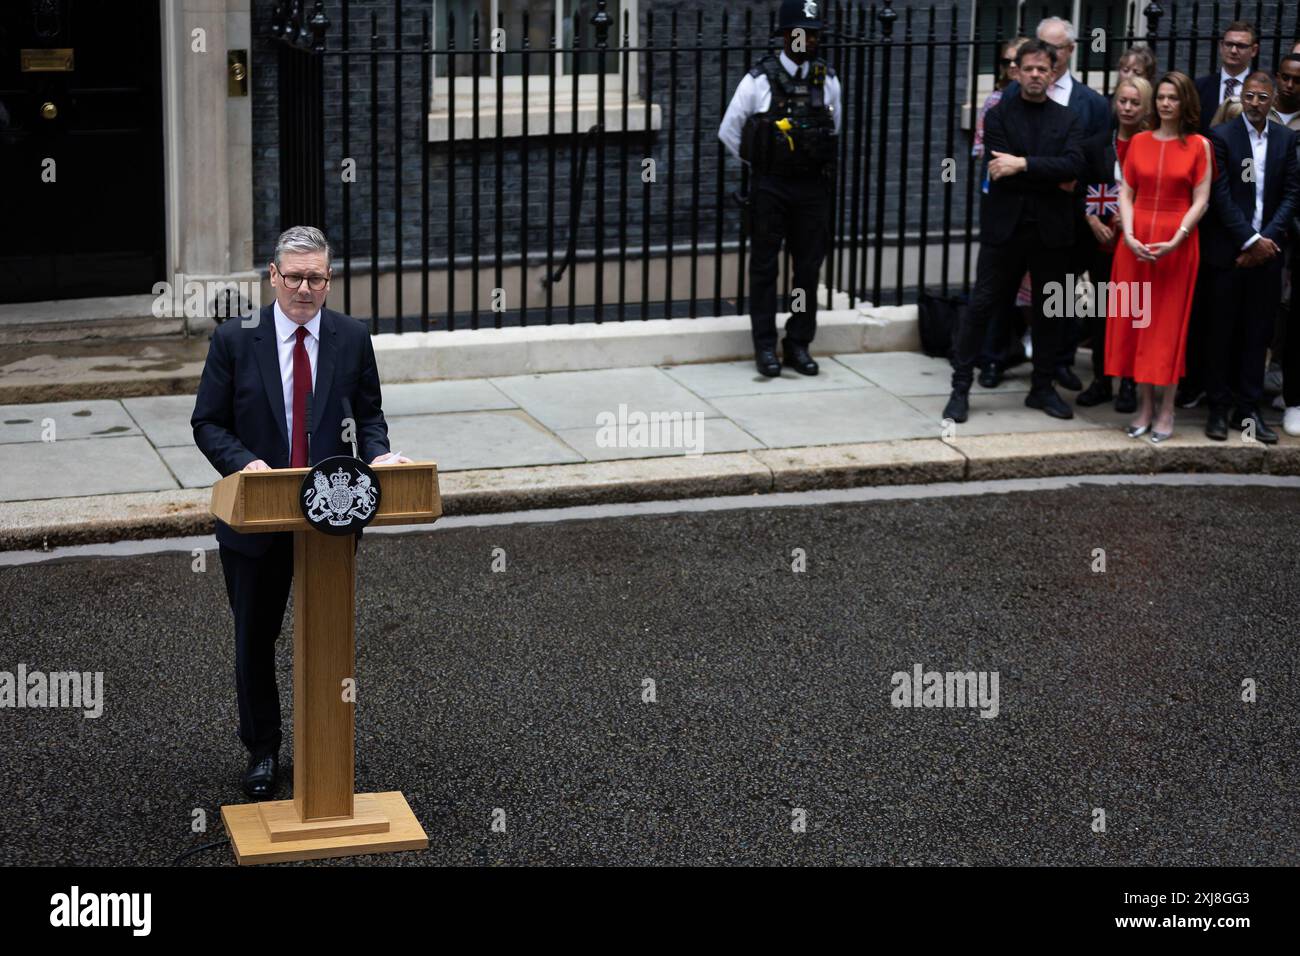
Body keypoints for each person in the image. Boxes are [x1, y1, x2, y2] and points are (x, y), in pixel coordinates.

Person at [191, 225, 411, 799]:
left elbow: (368, 414)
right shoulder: (235, 340)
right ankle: (263, 750)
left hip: (332, 517)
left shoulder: (351, 336)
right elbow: (207, 422)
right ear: (273, 276)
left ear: (329, 280)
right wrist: (245, 464)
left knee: (328, 637)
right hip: (257, 518)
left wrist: (380, 453)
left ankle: (327, 752)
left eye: (317, 278)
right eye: (295, 277)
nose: (306, 289)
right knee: (255, 639)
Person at [942, 39, 1085, 424]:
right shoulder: (999, 114)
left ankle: (1041, 388)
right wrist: (1046, 172)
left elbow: (1073, 167)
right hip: (1004, 229)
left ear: (1053, 73)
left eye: (1043, 69)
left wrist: (1022, 164)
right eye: (1029, 68)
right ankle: (960, 389)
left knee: (1050, 311)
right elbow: (997, 169)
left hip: (1051, 233)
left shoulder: (1068, 118)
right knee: (983, 305)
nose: (1036, 75)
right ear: (1016, 72)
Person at [718, 0, 841, 377]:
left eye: (815, 33)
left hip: (811, 189)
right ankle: (765, 346)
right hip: (771, 188)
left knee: (806, 271)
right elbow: (729, 131)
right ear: (786, 36)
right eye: (802, 33)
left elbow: (835, 131)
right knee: (765, 269)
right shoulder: (758, 79)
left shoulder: (828, 79)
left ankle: (798, 343)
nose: (809, 39)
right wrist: (765, 163)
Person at [1105, 72, 1213, 442]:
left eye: (1174, 97)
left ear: (1186, 103)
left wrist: (1177, 238)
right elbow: (1126, 193)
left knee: (1168, 328)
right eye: (1162, 97)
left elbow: (1201, 199)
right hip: (1135, 243)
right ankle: (1144, 406)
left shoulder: (1200, 145)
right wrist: (1131, 236)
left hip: (1177, 244)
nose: (1166, 103)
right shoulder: (1138, 142)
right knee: (1138, 323)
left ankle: (1167, 409)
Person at [1200, 73, 1300, 444]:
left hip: (1267, 256)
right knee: (1221, 332)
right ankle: (1217, 409)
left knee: (1257, 336)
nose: (1256, 102)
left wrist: (1266, 241)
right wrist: (1248, 240)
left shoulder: (1287, 140)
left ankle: (1248, 410)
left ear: (1273, 99)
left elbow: (1292, 193)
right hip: (1229, 254)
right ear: (1241, 97)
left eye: (1263, 96)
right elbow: (1220, 196)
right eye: (1250, 95)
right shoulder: (1222, 137)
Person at [1075, 76, 1152, 412]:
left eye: (1135, 103)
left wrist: (1132, 217)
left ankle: (1130, 383)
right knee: (1102, 315)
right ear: (1114, 103)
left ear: (1145, 107)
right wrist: (1093, 220)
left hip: (1137, 245)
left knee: (1133, 314)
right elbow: (1086, 188)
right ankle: (1102, 380)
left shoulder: (1152, 145)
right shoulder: (1096, 145)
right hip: (1104, 244)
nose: (1128, 108)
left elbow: (1158, 194)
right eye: (1123, 101)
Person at [973, 37, 1032, 387]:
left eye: (1018, 61)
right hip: (1002, 207)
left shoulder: (1053, 105)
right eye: (1007, 62)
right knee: (998, 286)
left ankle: (1042, 355)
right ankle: (992, 356)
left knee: (1044, 287)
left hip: (1042, 210)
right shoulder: (995, 104)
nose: (1012, 67)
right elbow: (987, 155)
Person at [1195, 21, 1258, 134]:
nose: (1233, 51)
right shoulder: (1199, 86)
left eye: (1241, 46)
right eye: (1229, 44)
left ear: (1253, 50)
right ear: (1221, 46)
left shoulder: (1262, 87)